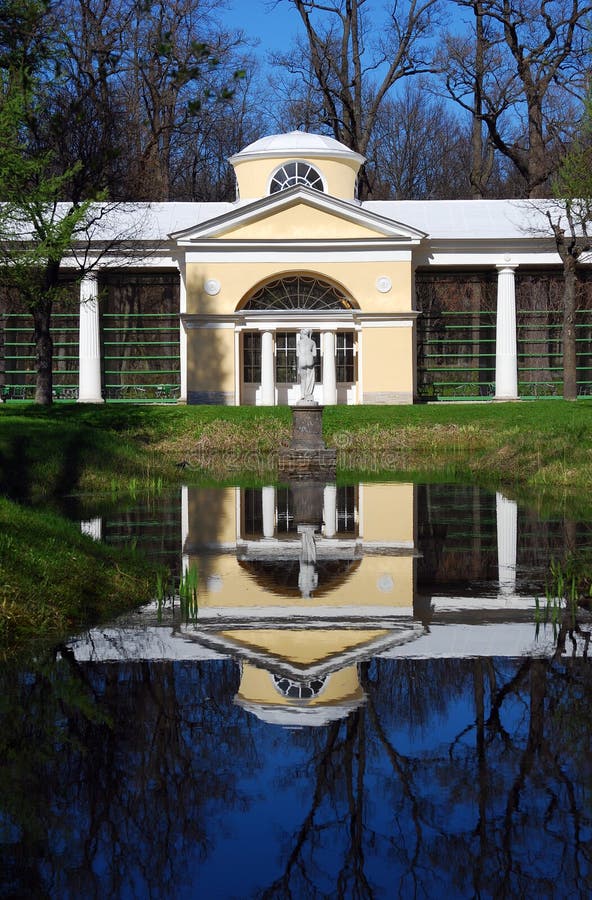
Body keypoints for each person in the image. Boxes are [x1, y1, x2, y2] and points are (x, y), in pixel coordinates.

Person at [297, 328, 316, 401]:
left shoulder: (299, 342)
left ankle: (302, 395)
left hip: (302, 360)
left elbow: (298, 354)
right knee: (310, 378)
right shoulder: (312, 342)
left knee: (303, 379)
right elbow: (314, 354)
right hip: (309, 359)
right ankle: (308, 394)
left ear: (302, 334)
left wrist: (299, 368)